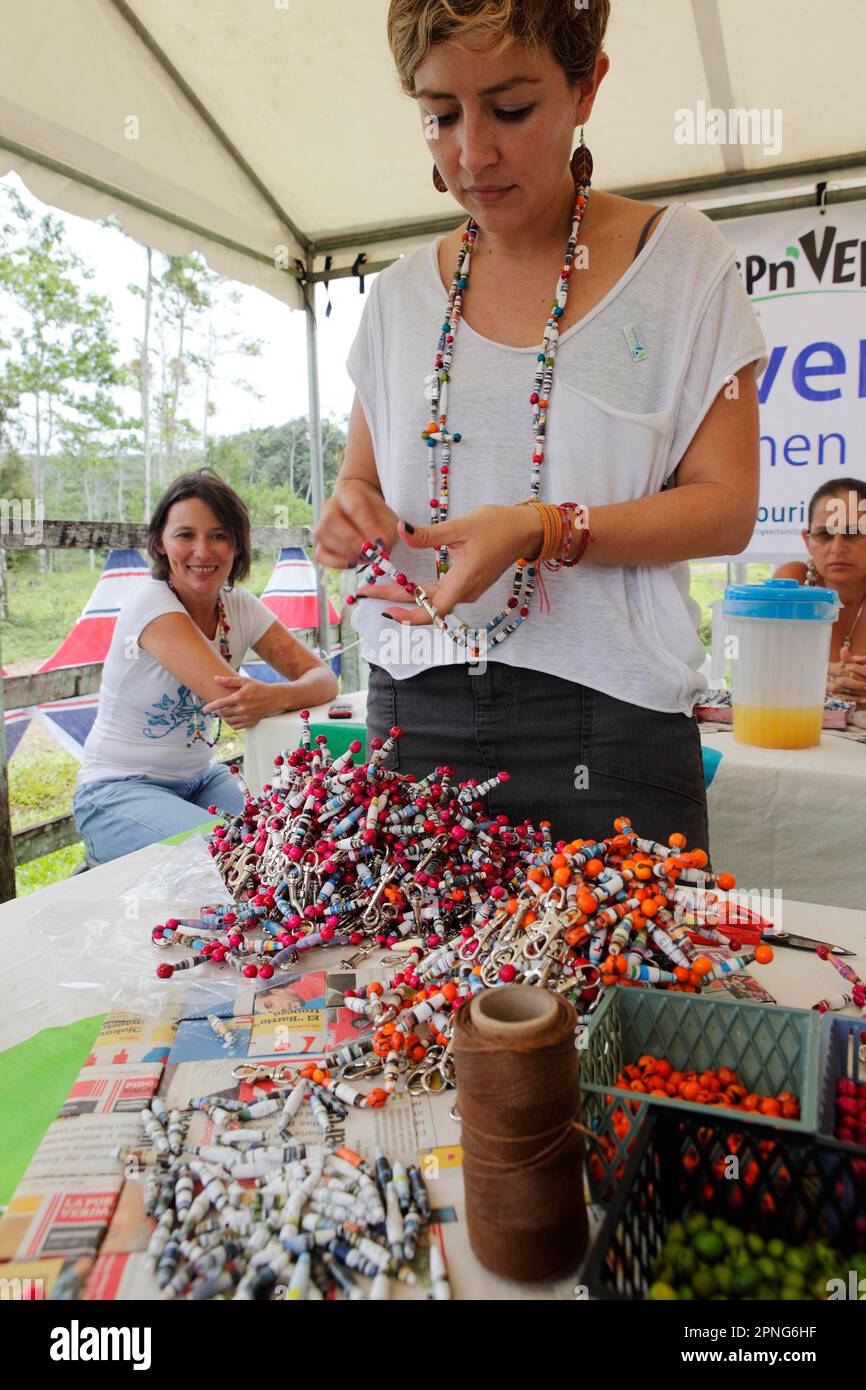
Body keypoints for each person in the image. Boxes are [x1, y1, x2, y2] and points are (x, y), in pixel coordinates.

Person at [314, 0, 767, 852]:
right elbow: (361, 484)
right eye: (440, 115)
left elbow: (725, 507)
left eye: (511, 109)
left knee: (618, 988)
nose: (471, 153)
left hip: (613, 723)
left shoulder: (678, 263)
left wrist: (541, 528)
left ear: (586, 84)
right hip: (415, 713)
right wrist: (350, 516)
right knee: (407, 985)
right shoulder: (400, 299)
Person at [73, 469, 338, 864]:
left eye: (218, 535)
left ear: (236, 544)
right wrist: (265, 697)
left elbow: (324, 679)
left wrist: (276, 695)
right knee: (229, 858)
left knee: (287, 843)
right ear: (161, 544)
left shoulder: (240, 606)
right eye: (185, 535)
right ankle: (106, 862)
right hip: (117, 788)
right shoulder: (151, 601)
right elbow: (232, 700)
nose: (203, 551)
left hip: (202, 780)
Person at [773, 478, 866, 709]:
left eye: (853, 533)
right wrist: (810, 678)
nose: (837, 547)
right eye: (824, 534)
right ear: (807, 540)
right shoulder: (792, 583)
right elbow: (756, 667)